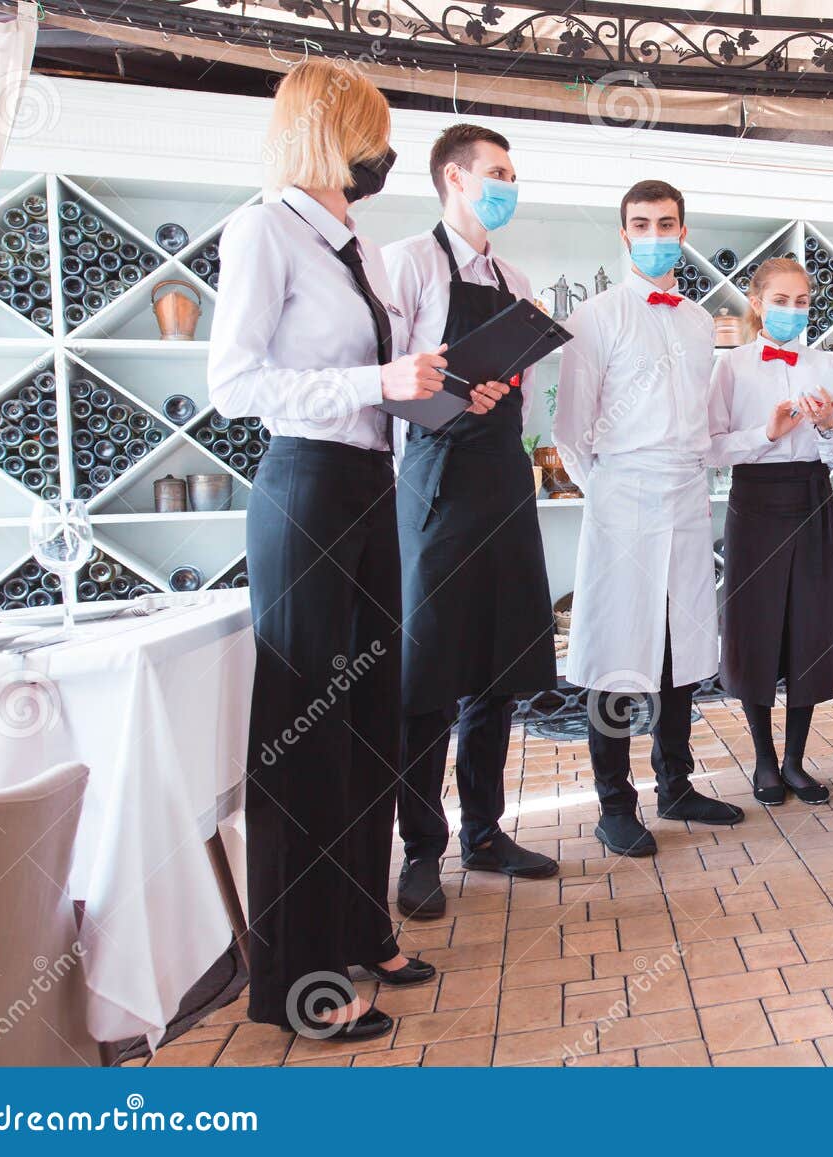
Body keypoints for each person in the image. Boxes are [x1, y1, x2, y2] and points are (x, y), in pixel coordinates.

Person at [209, 60, 439, 1041]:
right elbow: (235, 384)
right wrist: (379, 377)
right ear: (328, 132)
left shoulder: (365, 249)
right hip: (303, 491)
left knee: (367, 722)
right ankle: (297, 981)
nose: (380, 156)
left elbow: (372, 382)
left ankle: (360, 924)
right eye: (370, 134)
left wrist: (431, 390)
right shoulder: (262, 229)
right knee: (304, 738)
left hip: (367, 487)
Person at [383, 124, 559, 920]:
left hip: (503, 477)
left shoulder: (515, 278)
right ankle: (421, 850)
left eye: (512, 174)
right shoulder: (406, 263)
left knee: (496, 666)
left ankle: (484, 832)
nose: (507, 185)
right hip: (436, 481)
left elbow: (520, 388)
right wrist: (455, 395)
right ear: (454, 177)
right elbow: (383, 390)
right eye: (497, 171)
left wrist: (496, 392)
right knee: (428, 674)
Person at [553, 179, 745, 856]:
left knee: (676, 649)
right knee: (615, 652)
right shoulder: (595, 316)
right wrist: (604, 492)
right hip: (623, 494)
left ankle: (677, 784)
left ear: (684, 231)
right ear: (624, 231)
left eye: (668, 222)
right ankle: (613, 803)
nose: (656, 233)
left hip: (688, 493)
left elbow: (702, 420)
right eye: (642, 222)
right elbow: (569, 428)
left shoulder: (698, 321)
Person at [707, 257, 833, 806]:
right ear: (758, 302)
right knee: (755, 628)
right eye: (782, 300)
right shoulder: (731, 368)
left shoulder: (830, 369)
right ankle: (764, 761)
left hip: (813, 497)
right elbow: (713, 448)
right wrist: (765, 434)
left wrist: (829, 425)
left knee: (809, 628)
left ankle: (795, 762)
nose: (793, 311)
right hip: (755, 499)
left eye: (802, 301)